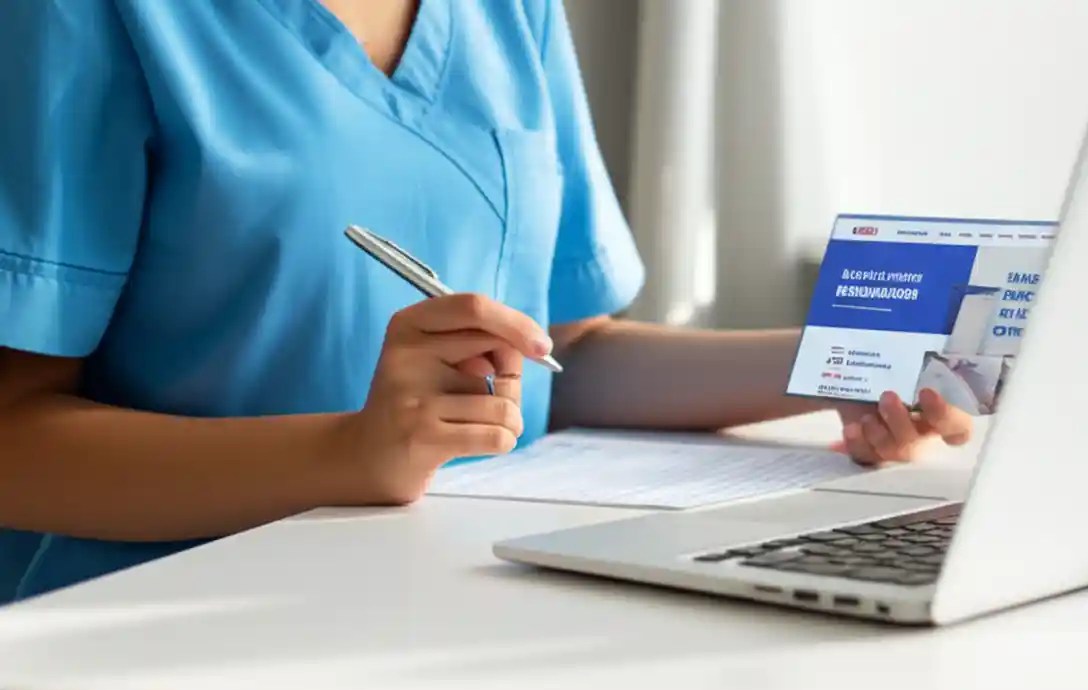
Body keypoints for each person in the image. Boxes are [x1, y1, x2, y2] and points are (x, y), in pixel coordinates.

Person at [0, 0, 973, 604]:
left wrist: (847, 360)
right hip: (152, 627)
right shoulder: (83, 14)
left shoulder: (507, 10)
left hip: (454, 591)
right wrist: (348, 456)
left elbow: (561, 353)